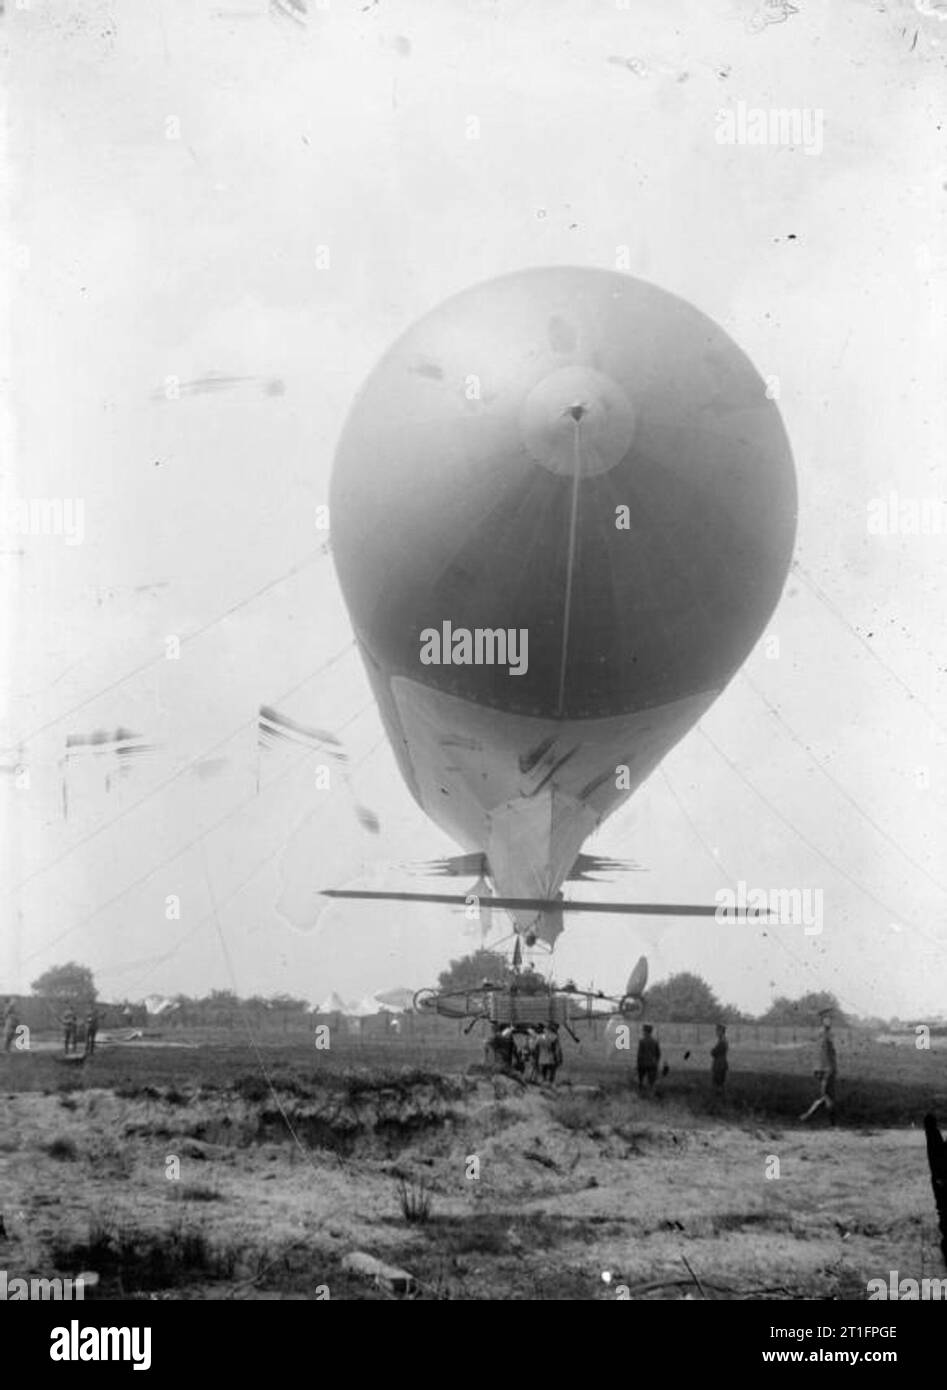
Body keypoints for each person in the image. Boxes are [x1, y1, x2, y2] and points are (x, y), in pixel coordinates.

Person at [800, 1015, 837, 1123]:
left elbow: (830, 1053)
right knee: (825, 1095)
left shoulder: (824, 1035)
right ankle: (812, 1116)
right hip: (824, 1068)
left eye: (830, 1020)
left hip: (825, 1068)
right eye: (827, 1020)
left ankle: (809, 1115)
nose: (829, 1022)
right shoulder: (824, 1036)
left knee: (825, 1095)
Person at [636, 1023, 660, 1095]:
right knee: (651, 1081)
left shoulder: (642, 1041)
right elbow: (658, 1054)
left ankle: (641, 1094)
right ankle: (651, 1094)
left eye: (643, 1031)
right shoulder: (655, 1041)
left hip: (643, 1064)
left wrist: (638, 1064)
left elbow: (640, 1054)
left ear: (645, 1031)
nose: (643, 1032)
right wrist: (656, 1062)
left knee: (641, 1080)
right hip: (652, 1064)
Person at [710, 1023, 729, 1094]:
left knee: (718, 1082)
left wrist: (713, 1051)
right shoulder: (722, 1040)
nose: (716, 1032)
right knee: (719, 1082)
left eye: (718, 1031)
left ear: (721, 1031)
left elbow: (714, 1052)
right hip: (720, 1063)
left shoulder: (722, 1041)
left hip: (719, 1064)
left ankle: (719, 1098)